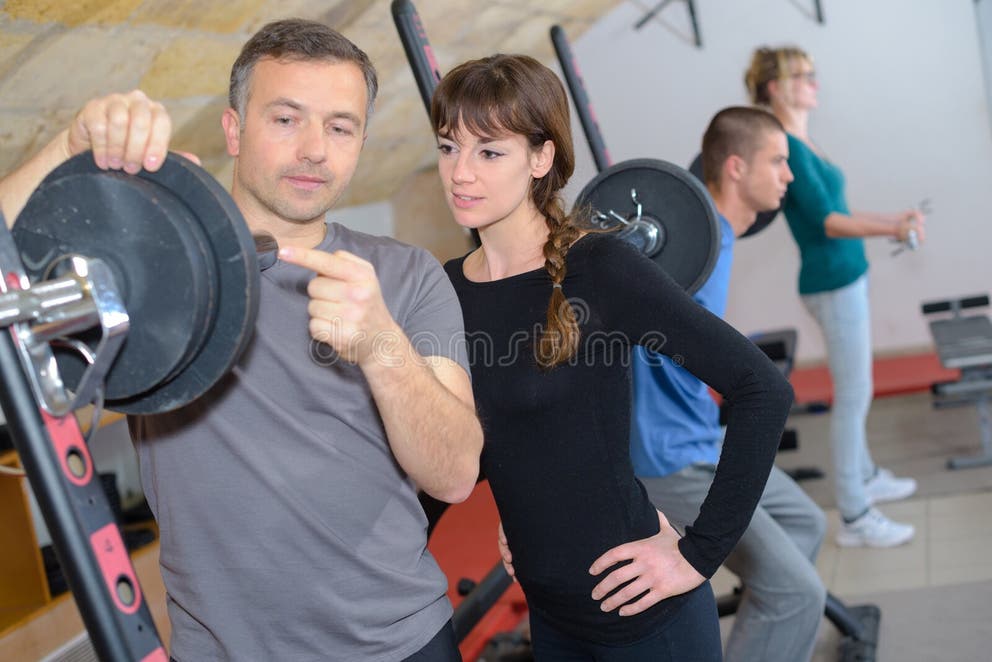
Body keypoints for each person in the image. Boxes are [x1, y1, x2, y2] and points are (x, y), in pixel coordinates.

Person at [1, 19, 483, 661]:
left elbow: (454, 475)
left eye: (340, 128)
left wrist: (380, 345)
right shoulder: (156, 271)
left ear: (361, 143)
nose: (315, 149)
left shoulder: (406, 273)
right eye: (286, 119)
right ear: (233, 128)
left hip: (399, 644)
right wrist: (66, 147)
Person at [433, 53, 794, 660]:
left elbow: (762, 389)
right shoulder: (447, 289)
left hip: (648, 624)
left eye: (488, 152)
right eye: (448, 148)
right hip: (552, 621)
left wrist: (699, 554)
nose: (460, 173)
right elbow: (472, 440)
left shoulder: (599, 268)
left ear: (540, 158)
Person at [630, 106, 826, 662]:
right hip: (666, 457)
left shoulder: (715, 238)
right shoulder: (702, 241)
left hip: (699, 441)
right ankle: (775, 615)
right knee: (797, 595)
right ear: (737, 168)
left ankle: (762, 633)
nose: (789, 175)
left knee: (806, 521)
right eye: (779, 161)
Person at [745, 46, 924, 548]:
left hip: (846, 277)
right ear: (775, 87)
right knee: (854, 395)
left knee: (857, 390)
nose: (814, 83)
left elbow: (838, 206)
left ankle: (865, 476)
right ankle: (856, 514)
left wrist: (895, 221)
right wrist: (893, 226)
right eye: (802, 76)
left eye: (812, 74)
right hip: (831, 281)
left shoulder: (805, 141)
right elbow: (827, 221)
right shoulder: (789, 147)